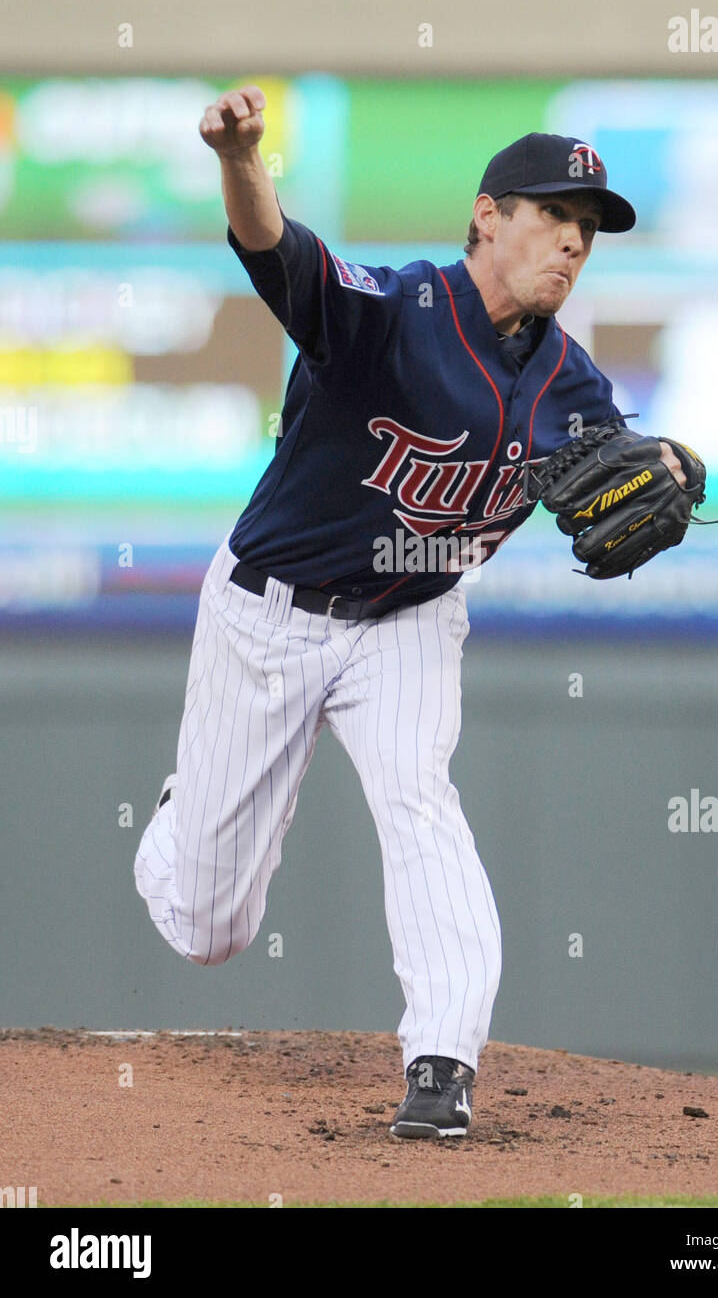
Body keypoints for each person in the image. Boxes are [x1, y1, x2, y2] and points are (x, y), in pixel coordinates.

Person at [134, 87, 685, 1140]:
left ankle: (442, 1060)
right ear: (488, 214)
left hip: (412, 621)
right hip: (270, 612)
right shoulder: (390, 313)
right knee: (207, 926)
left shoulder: (573, 385)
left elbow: (629, 469)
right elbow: (277, 249)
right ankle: (184, 816)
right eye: (552, 217)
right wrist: (242, 157)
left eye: (587, 233)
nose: (571, 244)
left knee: (419, 799)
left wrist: (676, 465)